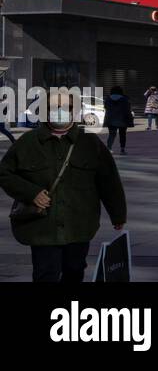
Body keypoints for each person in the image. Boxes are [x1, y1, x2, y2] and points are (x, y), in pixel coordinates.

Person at [0, 92, 127, 283]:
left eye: (66, 107)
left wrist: (118, 215)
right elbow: (4, 173)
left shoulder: (90, 142)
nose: (60, 111)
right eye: (53, 107)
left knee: (74, 271)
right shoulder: (28, 142)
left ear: (74, 111)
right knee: (45, 273)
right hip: (42, 227)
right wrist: (31, 193)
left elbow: (109, 181)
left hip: (79, 224)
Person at [103, 86, 132, 156]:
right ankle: (122, 150)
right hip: (122, 119)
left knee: (111, 134)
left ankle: (109, 148)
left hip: (111, 119)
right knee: (122, 134)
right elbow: (127, 109)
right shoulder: (125, 99)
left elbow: (105, 107)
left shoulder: (108, 99)